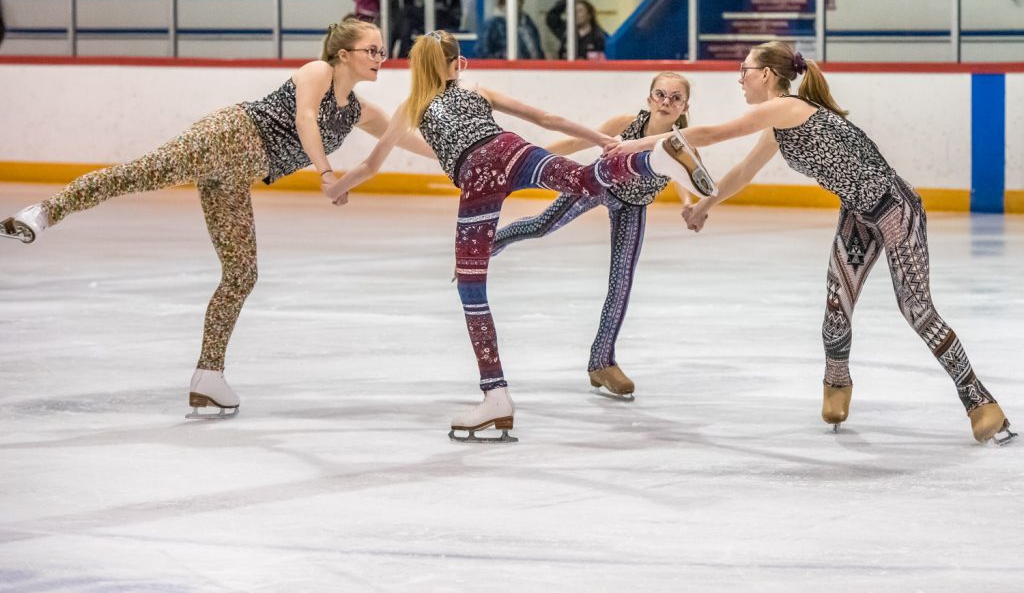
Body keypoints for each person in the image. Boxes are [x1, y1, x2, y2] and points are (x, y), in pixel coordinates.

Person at [0, 19, 433, 421]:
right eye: (371, 50)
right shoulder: (317, 70)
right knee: (133, 176)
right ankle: (43, 212)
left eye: (380, 51)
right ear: (344, 54)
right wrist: (324, 172)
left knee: (242, 273)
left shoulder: (358, 110)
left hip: (239, 174)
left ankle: (209, 375)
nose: (380, 57)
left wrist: (461, 155)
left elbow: (407, 140)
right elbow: (305, 119)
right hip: (227, 137)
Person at [608, 41, 1014, 445]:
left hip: (895, 208)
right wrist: (705, 206)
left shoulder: (786, 107)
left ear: (766, 75)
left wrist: (638, 144)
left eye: (744, 69)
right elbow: (744, 172)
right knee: (837, 305)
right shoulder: (780, 123)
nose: (740, 78)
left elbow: (710, 133)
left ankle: (980, 402)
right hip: (858, 213)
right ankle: (836, 385)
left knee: (916, 309)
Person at [321, 30, 714, 442]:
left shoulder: (410, 108)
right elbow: (546, 120)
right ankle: (652, 161)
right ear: (460, 65)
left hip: (478, 176)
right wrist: (601, 140)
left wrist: (336, 184)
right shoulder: (476, 89)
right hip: (511, 148)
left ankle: (496, 397)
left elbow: (371, 164)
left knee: (472, 293)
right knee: (582, 179)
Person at [490, 73, 696, 398]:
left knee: (621, 283)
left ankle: (602, 362)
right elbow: (576, 143)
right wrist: (522, 162)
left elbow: (684, 176)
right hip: (597, 185)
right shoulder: (626, 122)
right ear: (649, 99)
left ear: (685, 106)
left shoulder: (679, 143)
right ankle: (488, 245)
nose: (666, 102)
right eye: (661, 95)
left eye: (675, 98)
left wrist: (689, 205)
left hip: (634, 206)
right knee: (542, 224)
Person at [478, 0, 545, 60]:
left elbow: (537, 46)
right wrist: (504, 57)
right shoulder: (493, 24)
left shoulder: (527, 21)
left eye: (521, 2)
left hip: (534, 68)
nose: (519, 5)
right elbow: (482, 53)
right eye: (516, 1)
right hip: (509, 69)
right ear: (502, 4)